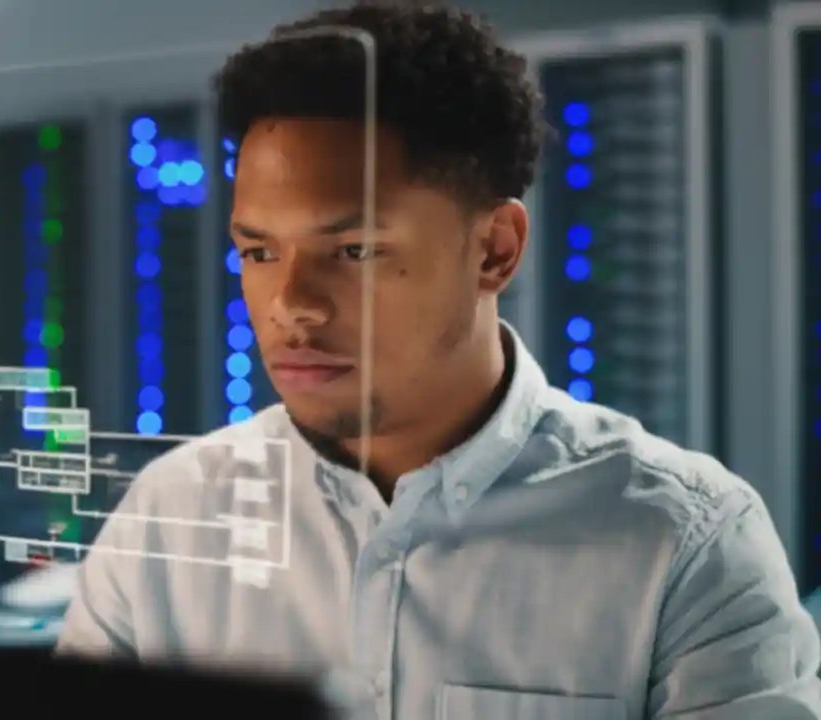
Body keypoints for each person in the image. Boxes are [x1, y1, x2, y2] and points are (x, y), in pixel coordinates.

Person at [55, 2, 821, 718]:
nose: (291, 304)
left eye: (353, 250)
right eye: (258, 251)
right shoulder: (170, 516)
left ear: (494, 250)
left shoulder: (681, 542)